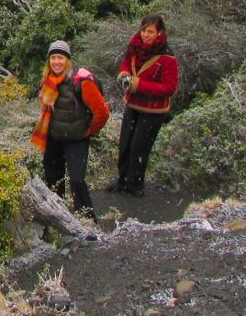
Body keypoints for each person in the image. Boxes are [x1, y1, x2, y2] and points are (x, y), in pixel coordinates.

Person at [31, 40, 109, 220]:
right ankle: (58, 220)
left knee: (77, 181)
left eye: (60, 58)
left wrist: (89, 131)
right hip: (54, 138)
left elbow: (102, 112)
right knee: (53, 181)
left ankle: (87, 221)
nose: (56, 62)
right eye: (53, 58)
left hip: (76, 139)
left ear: (68, 60)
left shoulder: (80, 82)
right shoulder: (47, 80)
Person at [108, 14, 179, 197]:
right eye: (143, 30)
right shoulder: (135, 46)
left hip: (153, 109)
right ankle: (122, 179)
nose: (146, 35)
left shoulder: (167, 57)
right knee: (125, 144)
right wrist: (124, 74)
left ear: (159, 33)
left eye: (150, 31)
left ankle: (135, 184)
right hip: (133, 103)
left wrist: (138, 84)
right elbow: (126, 61)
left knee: (139, 147)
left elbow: (169, 88)